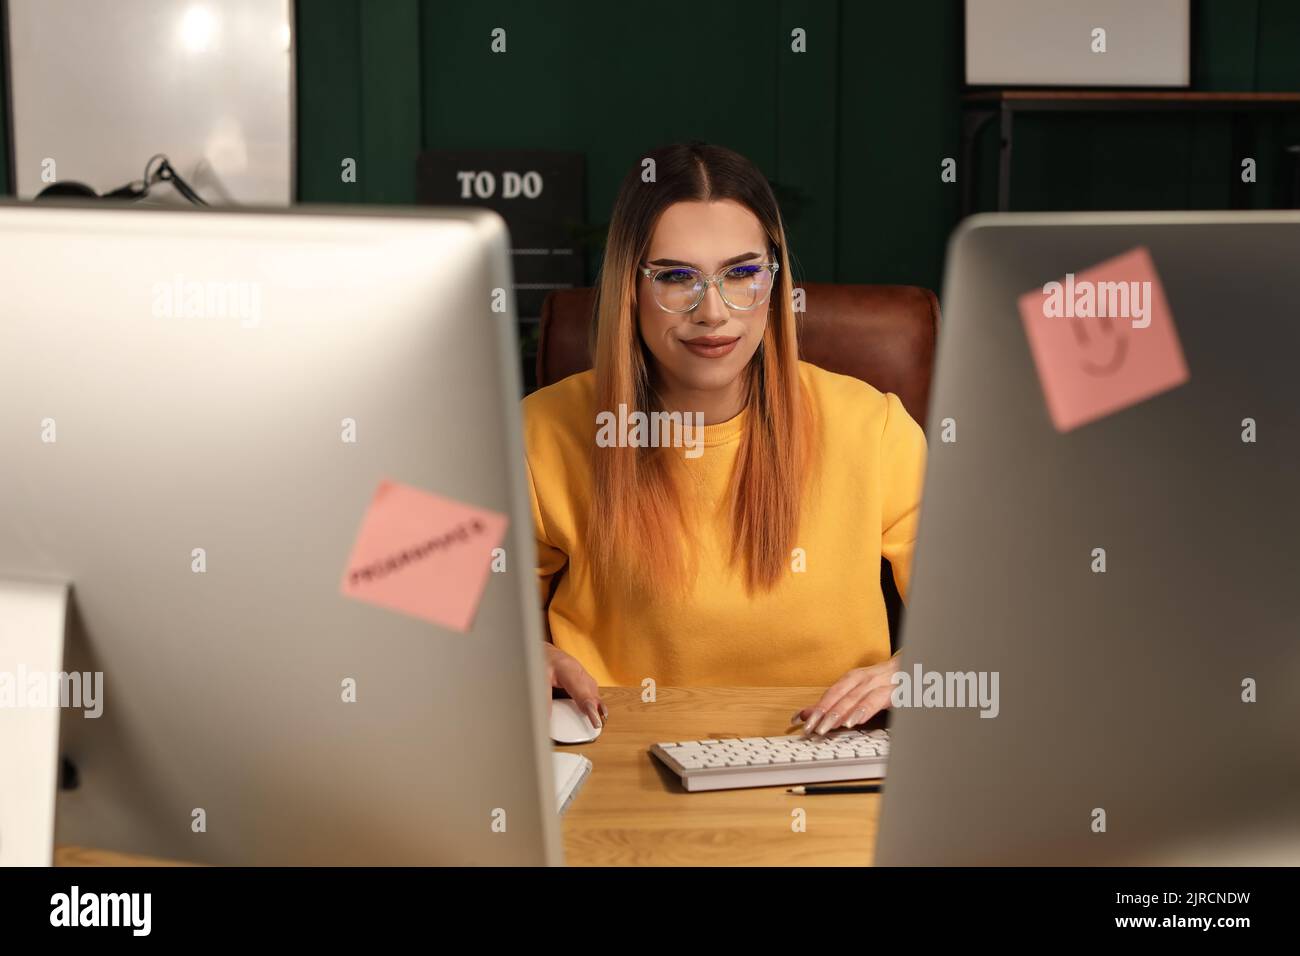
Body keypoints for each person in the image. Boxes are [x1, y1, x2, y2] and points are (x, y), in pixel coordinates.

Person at [522, 142, 926, 737]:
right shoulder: (542, 430)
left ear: (775, 280)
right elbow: (399, 599)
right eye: (676, 277)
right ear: (629, 287)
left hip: (826, 771)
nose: (713, 311)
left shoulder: (875, 427)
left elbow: (1000, 615)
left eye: (741, 273)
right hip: (623, 776)